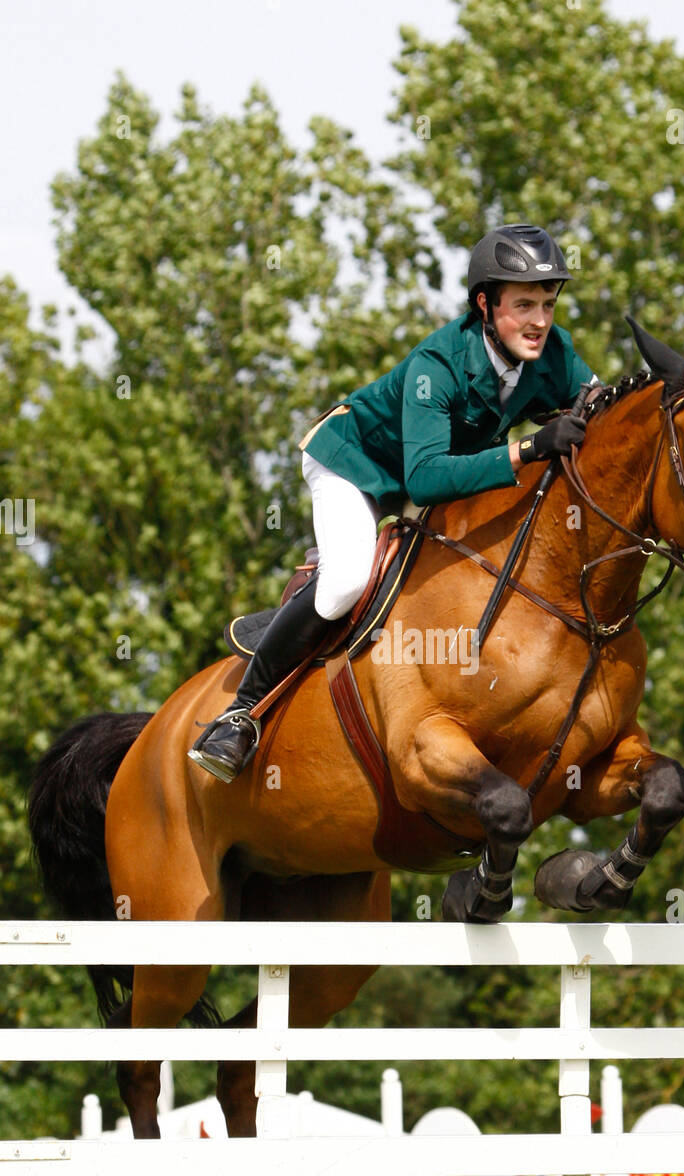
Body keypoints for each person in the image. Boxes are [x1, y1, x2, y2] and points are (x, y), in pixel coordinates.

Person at [189, 224, 596, 782]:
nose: (540, 321)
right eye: (523, 304)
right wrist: (526, 448)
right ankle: (238, 717)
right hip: (355, 466)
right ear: (484, 304)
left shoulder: (554, 354)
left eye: (547, 304)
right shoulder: (439, 364)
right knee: (345, 583)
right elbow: (426, 478)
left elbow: (599, 412)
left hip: (418, 480)